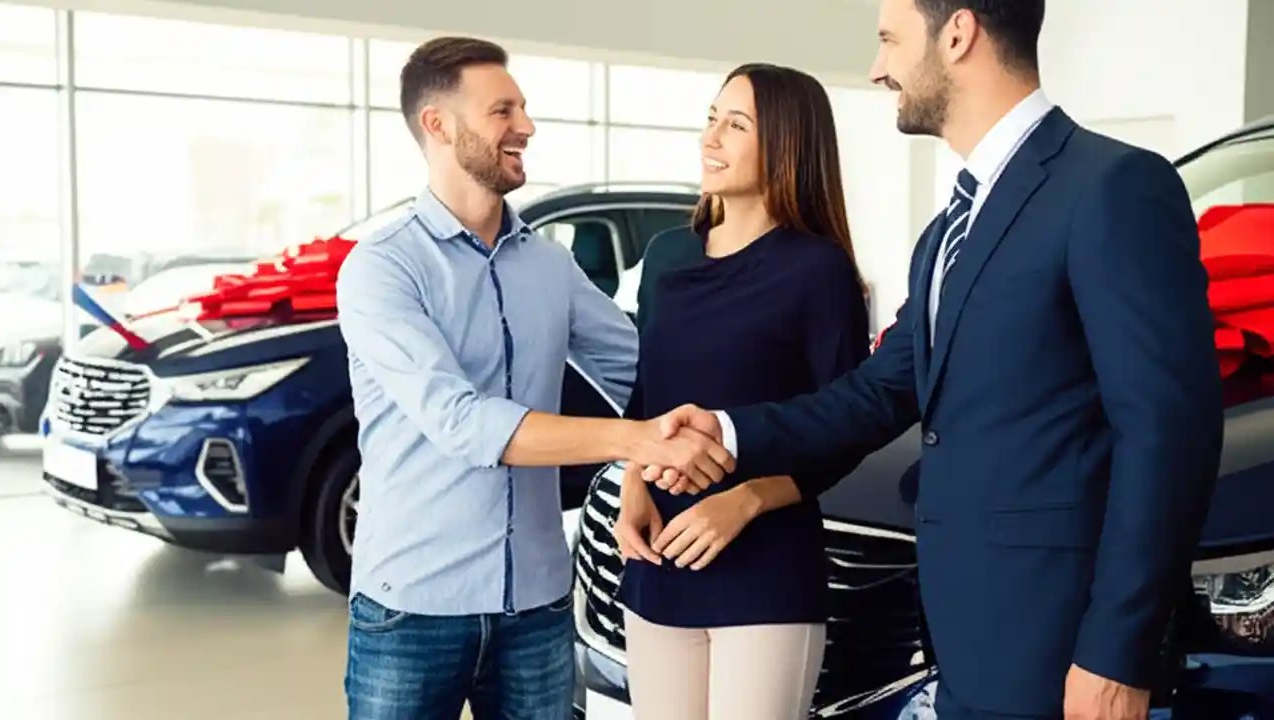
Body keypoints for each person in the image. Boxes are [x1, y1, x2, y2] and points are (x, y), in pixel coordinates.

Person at [650, 1, 1225, 719]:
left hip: (1062, 645)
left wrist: (1117, 652)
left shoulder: (1112, 187)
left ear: (958, 34)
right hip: (964, 637)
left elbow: (1170, 434)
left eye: (890, 40)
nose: (877, 67)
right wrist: (728, 432)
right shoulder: (946, 230)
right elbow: (881, 392)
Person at [335, 36, 734, 720]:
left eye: (522, 107)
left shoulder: (548, 267)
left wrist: (743, 411)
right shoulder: (382, 268)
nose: (526, 125)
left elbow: (643, 369)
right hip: (412, 607)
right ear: (438, 125)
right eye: (503, 110)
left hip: (539, 608)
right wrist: (636, 443)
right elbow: (459, 418)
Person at [611, 63, 872, 720]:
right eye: (711, 119)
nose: (711, 138)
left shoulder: (819, 269)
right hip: (660, 560)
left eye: (736, 124)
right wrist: (634, 485)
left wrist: (747, 501)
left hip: (766, 568)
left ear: (785, 142)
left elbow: (845, 428)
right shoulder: (668, 257)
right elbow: (648, 397)